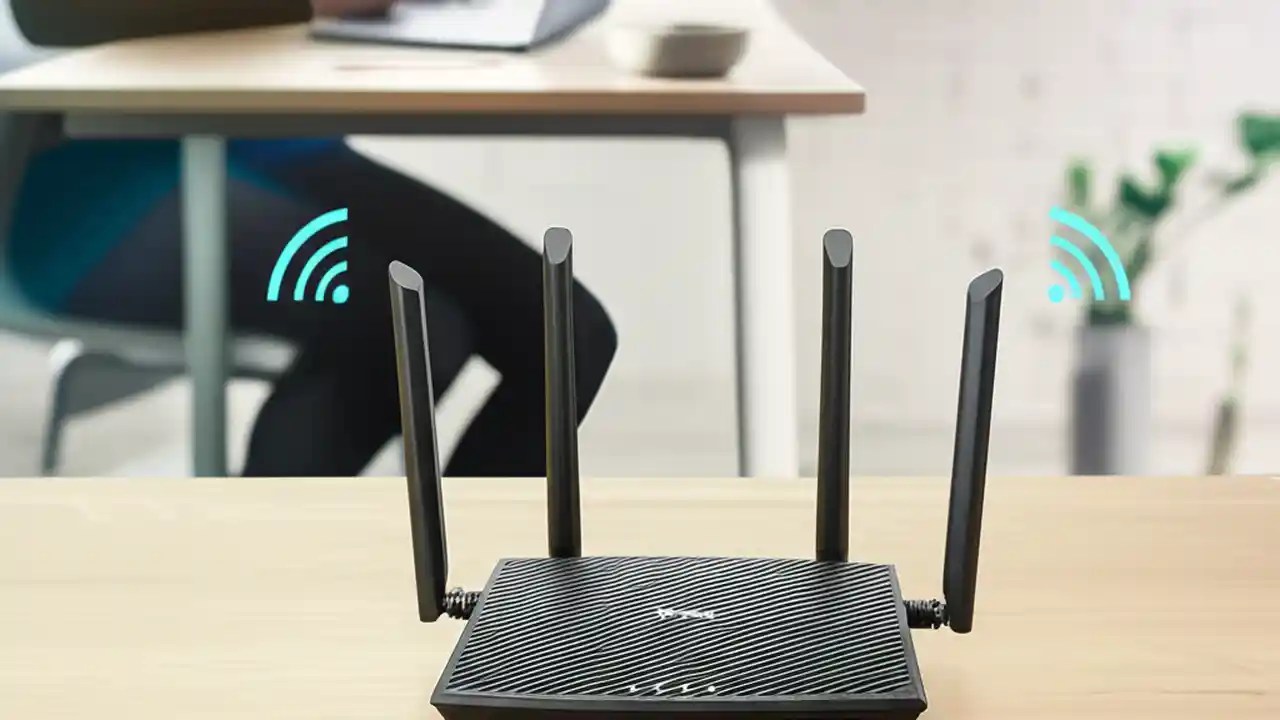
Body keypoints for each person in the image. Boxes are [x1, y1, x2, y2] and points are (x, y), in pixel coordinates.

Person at [3, 0, 619, 477]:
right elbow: (49, 11)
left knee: (567, 333)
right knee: (404, 330)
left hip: (278, 150)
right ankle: (259, 607)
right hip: (99, 199)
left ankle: (481, 607)